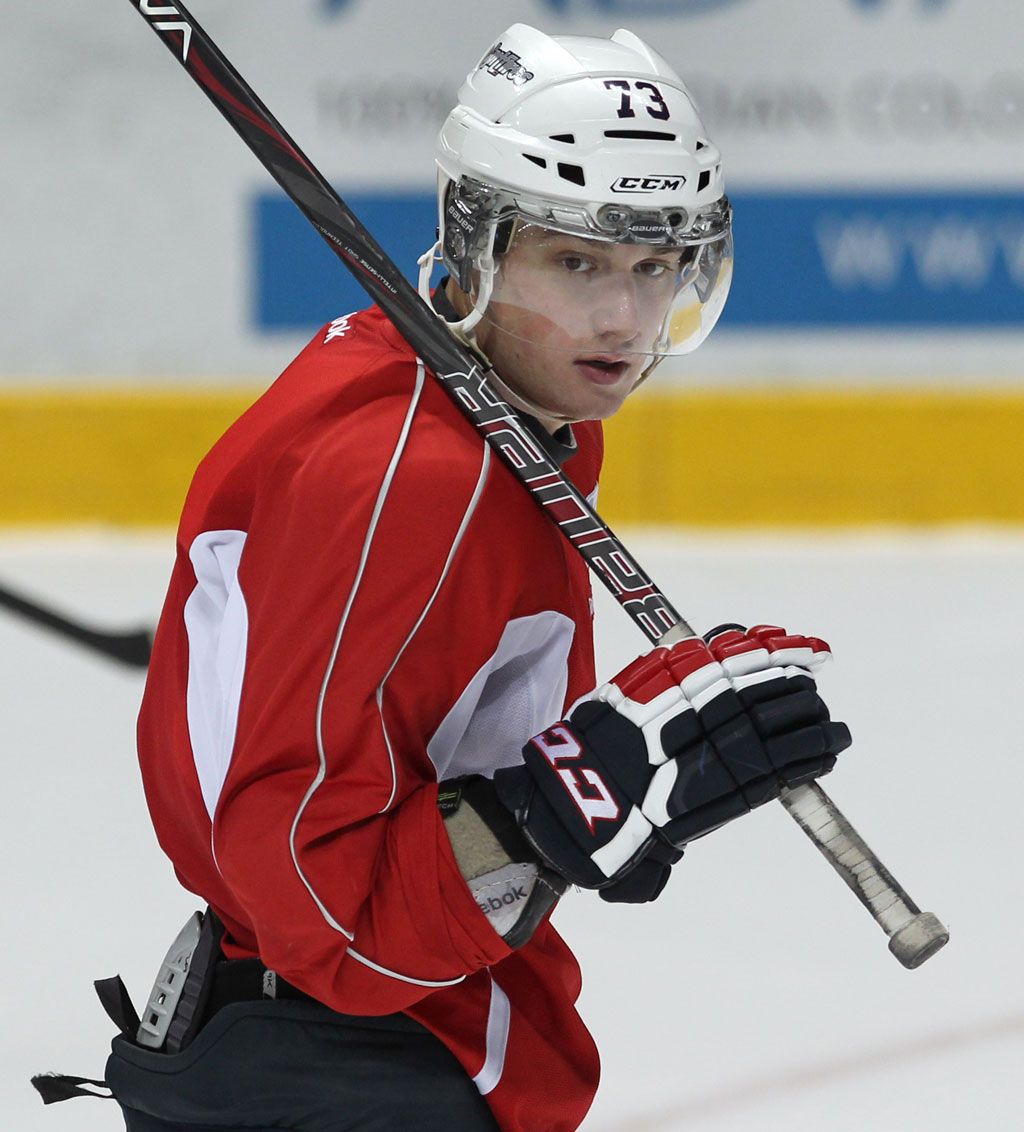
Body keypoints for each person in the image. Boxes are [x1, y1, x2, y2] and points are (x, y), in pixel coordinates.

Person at [43, 23, 850, 1132]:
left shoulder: (513, 412)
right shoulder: (410, 474)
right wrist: (566, 805)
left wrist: (612, 804)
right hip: (333, 1068)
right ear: (474, 247)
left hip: (380, 1042)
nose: (622, 318)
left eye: (654, 265)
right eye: (576, 262)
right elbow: (320, 906)